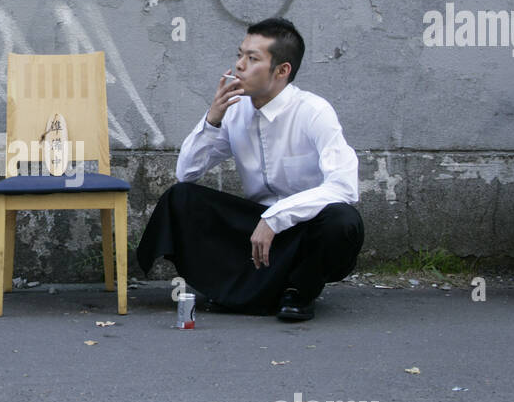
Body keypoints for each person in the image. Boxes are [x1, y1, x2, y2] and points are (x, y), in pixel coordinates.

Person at [136, 18, 364, 320]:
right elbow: (187, 173)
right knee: (182, 198)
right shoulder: (236, 109)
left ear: (282, 71)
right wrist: (213, 120)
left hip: (302, 231)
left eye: (252, 58)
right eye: (240, 54)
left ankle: (298, 292)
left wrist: (276, 217)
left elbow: (344, 187)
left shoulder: (313, 112)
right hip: (256, 233)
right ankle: (233, 291)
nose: (239, 65)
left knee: (343, 220)